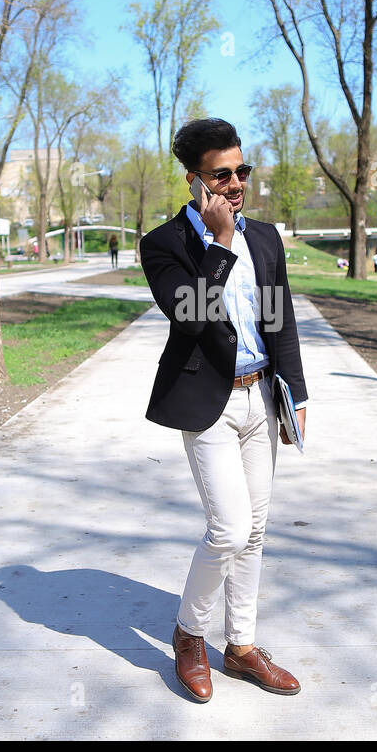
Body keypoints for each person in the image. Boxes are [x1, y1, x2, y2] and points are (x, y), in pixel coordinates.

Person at [140, 117, 309, 703]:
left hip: (262, 397)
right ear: (195, 180)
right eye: (222, 175)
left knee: (257, 531)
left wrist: (296, 392)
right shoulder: (164, 245)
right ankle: (190, 636)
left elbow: (279, 317)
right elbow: (191, 314)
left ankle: (240, 646)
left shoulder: (265, 237)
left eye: (242, 170)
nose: (237, 183)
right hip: (207, 403)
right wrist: (219, 245)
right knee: (230, 528)